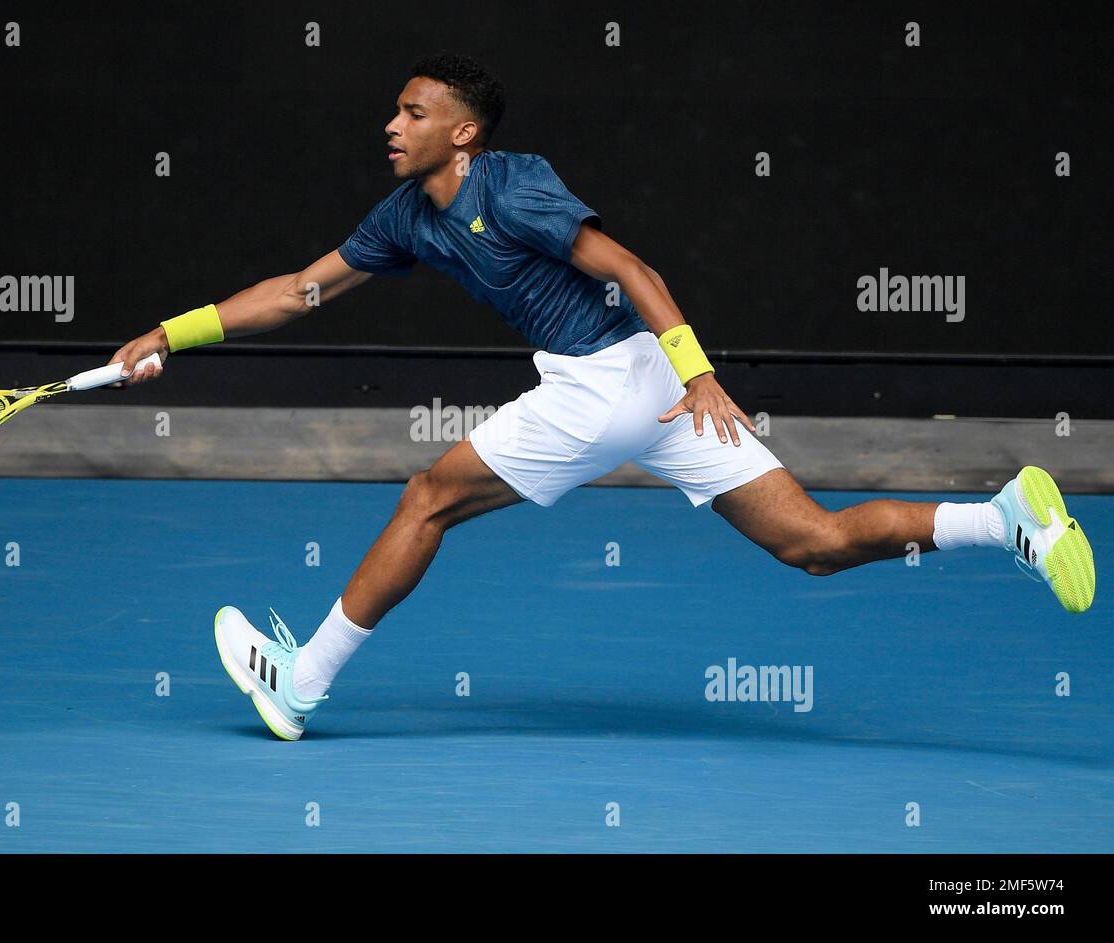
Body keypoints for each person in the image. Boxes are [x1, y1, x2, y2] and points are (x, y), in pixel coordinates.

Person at [109, 53, 1096, 741]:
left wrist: (702, 371)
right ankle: (1001, 519)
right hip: (653, 391)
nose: (391, 124)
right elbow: (296, 290)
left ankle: (302, 681)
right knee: (814, 544)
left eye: (412, 112)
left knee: (426, 497)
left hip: (611, 382)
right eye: (393, 111)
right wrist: (171, 334)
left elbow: (628, 263)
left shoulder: (514, 187)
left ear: (465, 132)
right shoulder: (406, 214)